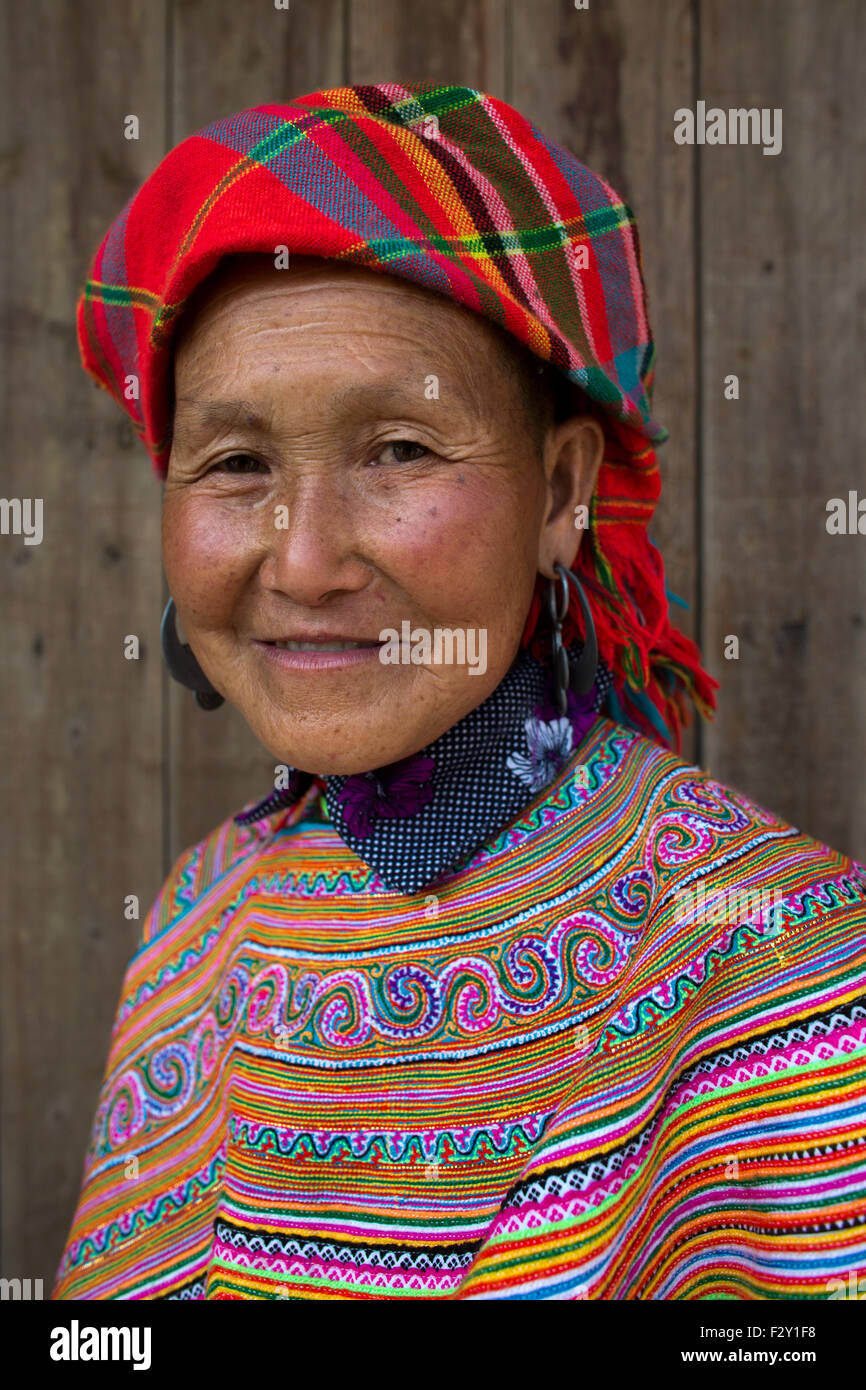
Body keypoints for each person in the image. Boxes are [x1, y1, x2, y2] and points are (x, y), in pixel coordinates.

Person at [53, 82, 866, 1300]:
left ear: (556, 495)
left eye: (399, 450)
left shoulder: (788, 966)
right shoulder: (202, 913)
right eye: (235, 464)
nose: (306, 559)